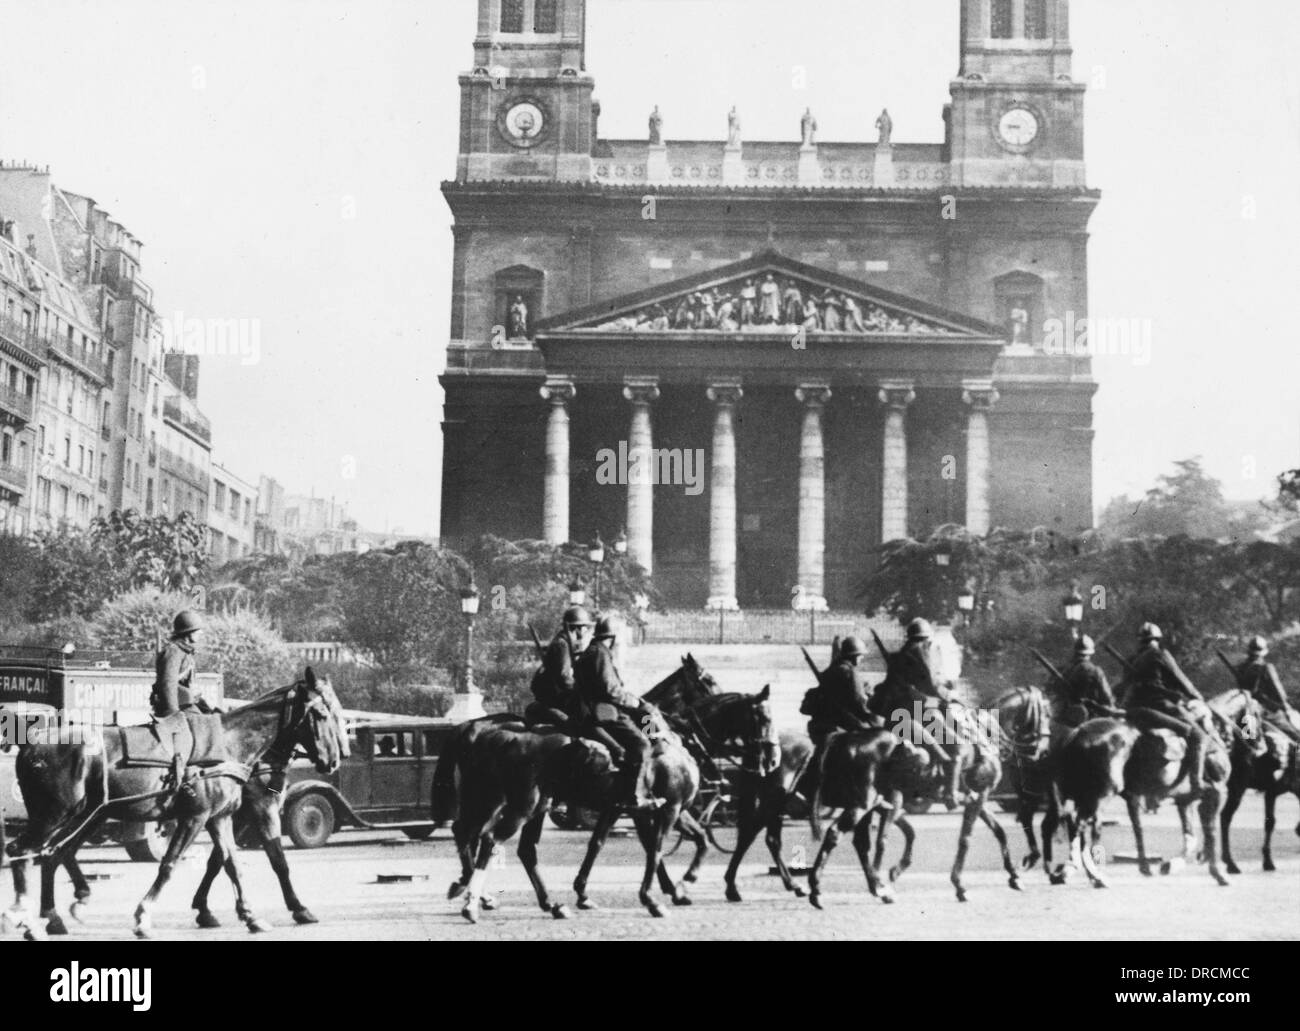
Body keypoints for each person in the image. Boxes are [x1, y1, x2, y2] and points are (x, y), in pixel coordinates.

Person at [572, 615, 660, 810]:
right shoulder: (600, 654)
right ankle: (635, 795)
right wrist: (634, 701)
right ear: (612, 638)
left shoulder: (594, 652)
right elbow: (610, 690)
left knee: (645, 712)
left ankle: (656, 743)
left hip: (602, 708)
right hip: (604, 711)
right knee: (642, 744)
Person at [883, 618, 965, 810]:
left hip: (897, 713)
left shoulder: (898, 656)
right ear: (925, 639)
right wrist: (950, 694)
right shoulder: (920, 652)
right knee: (957, 747)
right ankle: (950, 794)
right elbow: (931, 683)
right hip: (922, 712)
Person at [1117, 623, 1208, 794]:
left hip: (1134, 709)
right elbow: (1181, 680)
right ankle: (1197, 783)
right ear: (1157, 639)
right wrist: (1198, 697)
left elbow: (1124, 686)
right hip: (1160, 708)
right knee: (1198, 736)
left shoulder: (1131, 659)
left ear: (1140, 640)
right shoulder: (1160, 654)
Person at [152, 609, 204, 787]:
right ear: (188, 633)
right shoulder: (174, 652)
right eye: (197, 630)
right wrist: (173, 714)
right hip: (175, 708)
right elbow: (167, 684)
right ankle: (180, 773)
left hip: (186, 705)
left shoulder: (185, 652)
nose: (201, 633)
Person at [525, 607, 586, 727]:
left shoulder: (563, 641)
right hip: (555, 697)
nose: (584, 631)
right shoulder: (562, 644)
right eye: (583, 627)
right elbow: (563, 677)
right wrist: (579, 689)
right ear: (577, 628)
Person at [1235, 636, 1300, 744]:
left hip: (1245, 705)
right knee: (1294, 733)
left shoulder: (1241, 667)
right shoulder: (1266, 667)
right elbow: (1278, 691)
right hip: (1265, 709)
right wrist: (1286, 707)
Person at [1049, 635, 1118, 727]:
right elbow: (1107, 697)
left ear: (1075, 652)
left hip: (1061, 714)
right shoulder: (1095, 671)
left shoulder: (1063, 669)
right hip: (1088, 718)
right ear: (1090, 653)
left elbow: (1051, 689)